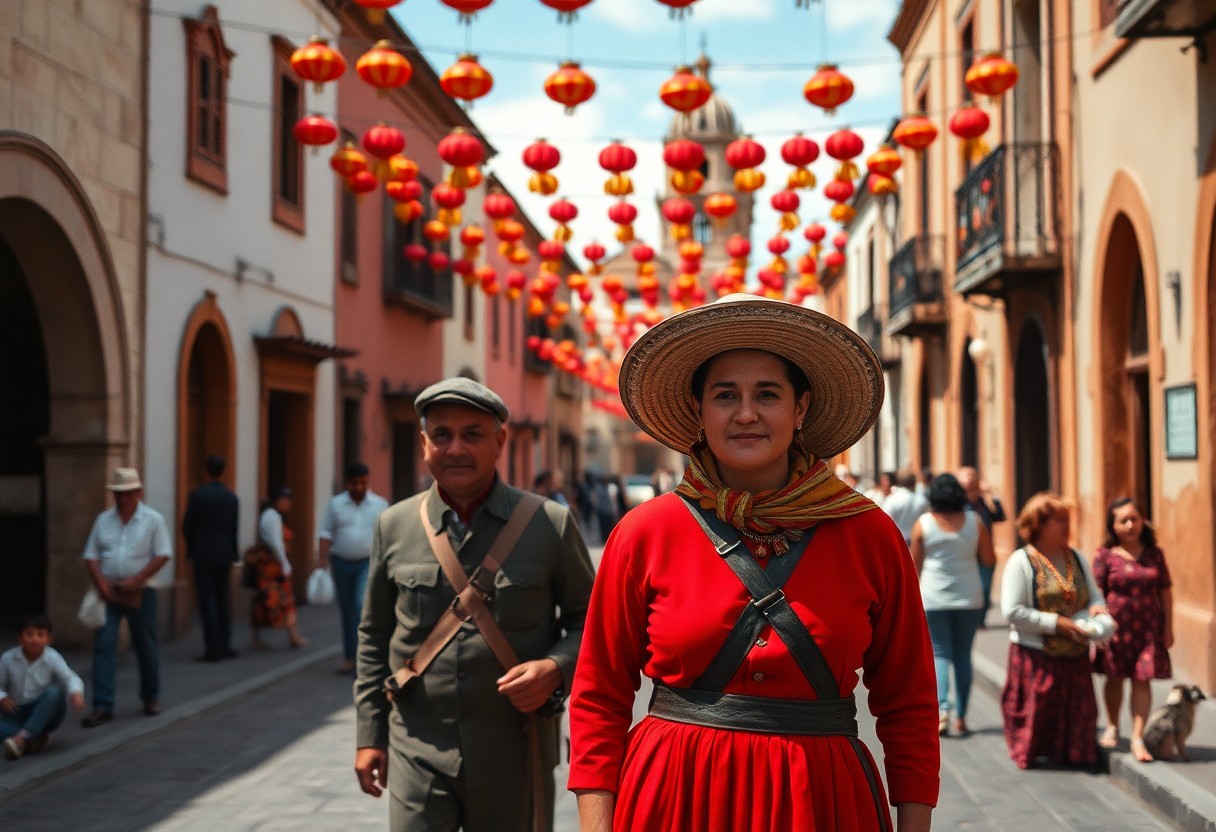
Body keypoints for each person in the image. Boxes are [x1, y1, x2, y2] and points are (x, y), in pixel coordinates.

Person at [569, 295, 938, 832]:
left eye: (767, 394)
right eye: (725, 395)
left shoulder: (869, 535)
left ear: (801, 408)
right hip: (674, 798)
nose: (746, 413)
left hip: (824, 801)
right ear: (699, 411)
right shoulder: (644, 533)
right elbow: (599, 695)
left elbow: (910, 701)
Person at [354, 377, 595, 832]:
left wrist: (555, 668)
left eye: (472, 434)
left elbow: (594, 623)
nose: (456, 448)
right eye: (442, 435)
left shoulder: (550, 524)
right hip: (417, 746)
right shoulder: (394, 525)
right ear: (424, 443)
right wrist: (370, 735)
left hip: (515, 748)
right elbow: (373, 636)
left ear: (500, 441)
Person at [1000, 492, 1106, 769]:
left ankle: (1073, 753)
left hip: (1075, 654)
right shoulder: (1021, 561)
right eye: (1059, 520)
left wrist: (1097, 612)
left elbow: (1094, 596)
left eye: (1067, 519)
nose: (1066, 526)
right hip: (1037, 655)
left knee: (1077, 714)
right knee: (1040, 711)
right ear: (1039, 524)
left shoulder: (1077, 558)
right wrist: (1056, 624)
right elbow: (1012, 611)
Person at [81, 467, 173, 726]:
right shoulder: (103, 520)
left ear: (138, 492)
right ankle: (102, 704)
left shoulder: (153, 519)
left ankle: (150, 697)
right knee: (104, 646)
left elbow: (163, 553)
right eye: (118, 493)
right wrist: (100, 583)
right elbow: (91, 555)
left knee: (146, 646)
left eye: (128, 493)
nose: (123, 498)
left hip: (140, 592)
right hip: (108, 590)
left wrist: (138, 579)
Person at [910, 473, 995, 738]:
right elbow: (989, 559)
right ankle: (961, 717)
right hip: (969, 598)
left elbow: (914, 566)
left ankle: (942, 711)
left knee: (940, 654)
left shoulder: (923, 524)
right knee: (963, 656)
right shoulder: (975, 522)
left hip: (933, 598)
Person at [1092, 497, 1174, 762]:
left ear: (1143, 521)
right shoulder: (1105, 556)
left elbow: (1166, 593)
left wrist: (1168, 627)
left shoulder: (1154, 555)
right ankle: (1113, 726)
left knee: (1142, 679)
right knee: (1114, 677)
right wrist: (1098, 628)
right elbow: (1095, 594)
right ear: (1113, 525)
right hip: (1116, 628)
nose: (1130, 525)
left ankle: (1138, 738)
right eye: (1123, 520)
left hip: (1148, 628)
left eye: (1134, 519)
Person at [318, 463, 389, 675]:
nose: (359, 487)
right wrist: (322, 560)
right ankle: (349, 657)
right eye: (355, 483)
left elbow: (386, 533)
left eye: (363, 482)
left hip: (367, 563)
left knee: (360, 607)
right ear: (347, 483)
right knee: (347, 611)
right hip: (340, 562)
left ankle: (365, 656)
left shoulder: (379, 504)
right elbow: (325, 532)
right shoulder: (336, 504)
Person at [181, 454, 240, 662]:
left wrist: (192, 548)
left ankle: (212, 647)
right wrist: (233, 553)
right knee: (223, 599)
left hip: (203, 553)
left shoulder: (198, 496)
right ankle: (225, 644)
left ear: (207, 471)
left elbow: (187, 526)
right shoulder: (231, 498)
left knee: (208, 599)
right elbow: (234, 529)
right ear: (224, 472)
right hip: (224, 553)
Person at [2, 614, 85, 759]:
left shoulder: (52, 657)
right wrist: (2, 697)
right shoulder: (8, 659)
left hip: (44, 711)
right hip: (16, 712)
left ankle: (21, 739)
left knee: (54, 693)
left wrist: (75, 693)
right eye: (29, 635)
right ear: (20, 638)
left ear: (49, 639)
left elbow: (69, 677)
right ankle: (34, 738)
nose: (34, 639)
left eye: (40, 635)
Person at [251, 487, 307, 651]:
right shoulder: (272, 517)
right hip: (272, 566)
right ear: (277, 500)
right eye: (286, 500)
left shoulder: (273, 516)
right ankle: (293, 636)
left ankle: (261, 638)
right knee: (285, 599)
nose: (288, 503)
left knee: (263, 600)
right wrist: (284, 564)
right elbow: (276, 543)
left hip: (270, 565)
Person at [956, 466, 1007, 623]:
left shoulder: (985, 501)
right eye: (966, 476)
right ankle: (967, 617)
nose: (970, 478)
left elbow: (1000, 516)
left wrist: (991, 494)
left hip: (985, 550)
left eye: (972, 475)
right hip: (965, 551)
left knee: (985, 587)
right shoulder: (956, 503)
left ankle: (980, 619)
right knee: (966, 587)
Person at [881, 470, 930, 545]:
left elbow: (884, 523)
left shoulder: (891, 500)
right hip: (915, 542)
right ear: (914, 484)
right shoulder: (922, 501)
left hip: (897, 542)